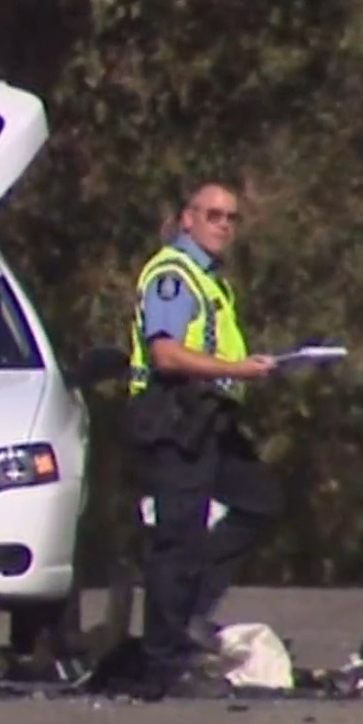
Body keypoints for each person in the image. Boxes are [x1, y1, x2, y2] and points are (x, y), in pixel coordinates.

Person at [126, 182, 282, 697]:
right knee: (177, 538)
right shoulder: (173, 276)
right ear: (186, 219)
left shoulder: (211, 279)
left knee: (259, 502)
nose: (223, 225)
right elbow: (166, 355)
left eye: (232, 218)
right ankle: (164, 663)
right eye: (213, 214)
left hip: (209, 416)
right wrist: (236, 368)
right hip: (174, 415)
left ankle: (190, 611)